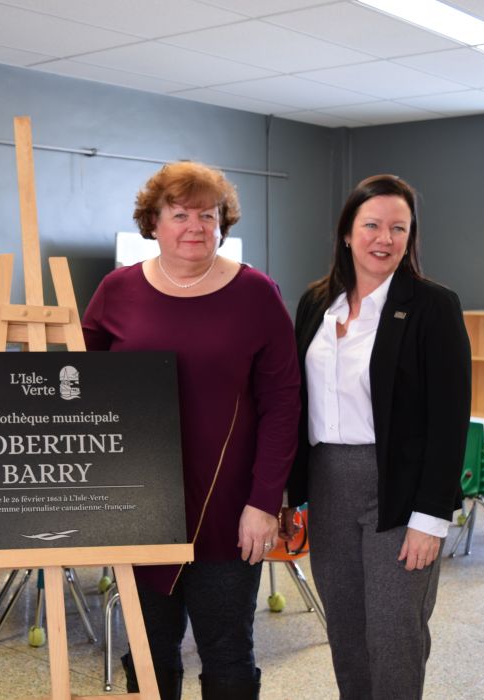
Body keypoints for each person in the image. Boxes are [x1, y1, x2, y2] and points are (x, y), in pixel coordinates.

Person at [82, 161, 300, 700]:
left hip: (230, 509)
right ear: (153, 223)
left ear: (223, 223)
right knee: (147, 651)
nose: (195, 227)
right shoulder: (116, 290)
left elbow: (283, 404)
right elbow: (81, 390)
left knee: (228, 652)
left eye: (208, 215)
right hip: (140, 506)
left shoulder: (257, 293)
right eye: (180, 214)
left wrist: (264, 502)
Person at [286, 174, 471, 699]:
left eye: (398, 228)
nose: (384, 238)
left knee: (394, 636)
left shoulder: (432, 305)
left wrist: (430, 520)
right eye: (371, 225)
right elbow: (294, 400)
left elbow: (449, 419)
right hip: (328, 484)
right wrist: (289, 491)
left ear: (411, 237)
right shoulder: (316, 302)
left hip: (400, 490)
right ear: (347, 232)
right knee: (346, 633)